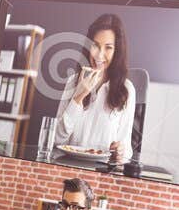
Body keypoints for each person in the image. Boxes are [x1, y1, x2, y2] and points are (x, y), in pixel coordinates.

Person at [51, 13, 136, 164]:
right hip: (69, 165)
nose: (99, 55)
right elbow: (56, 139)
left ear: (117, 51)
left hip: (101, 170)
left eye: (108, 47)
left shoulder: (127, 90)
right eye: (95, 45)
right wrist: (78, 97)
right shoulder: (73, 82)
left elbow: (126, 150)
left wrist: (121, 152)